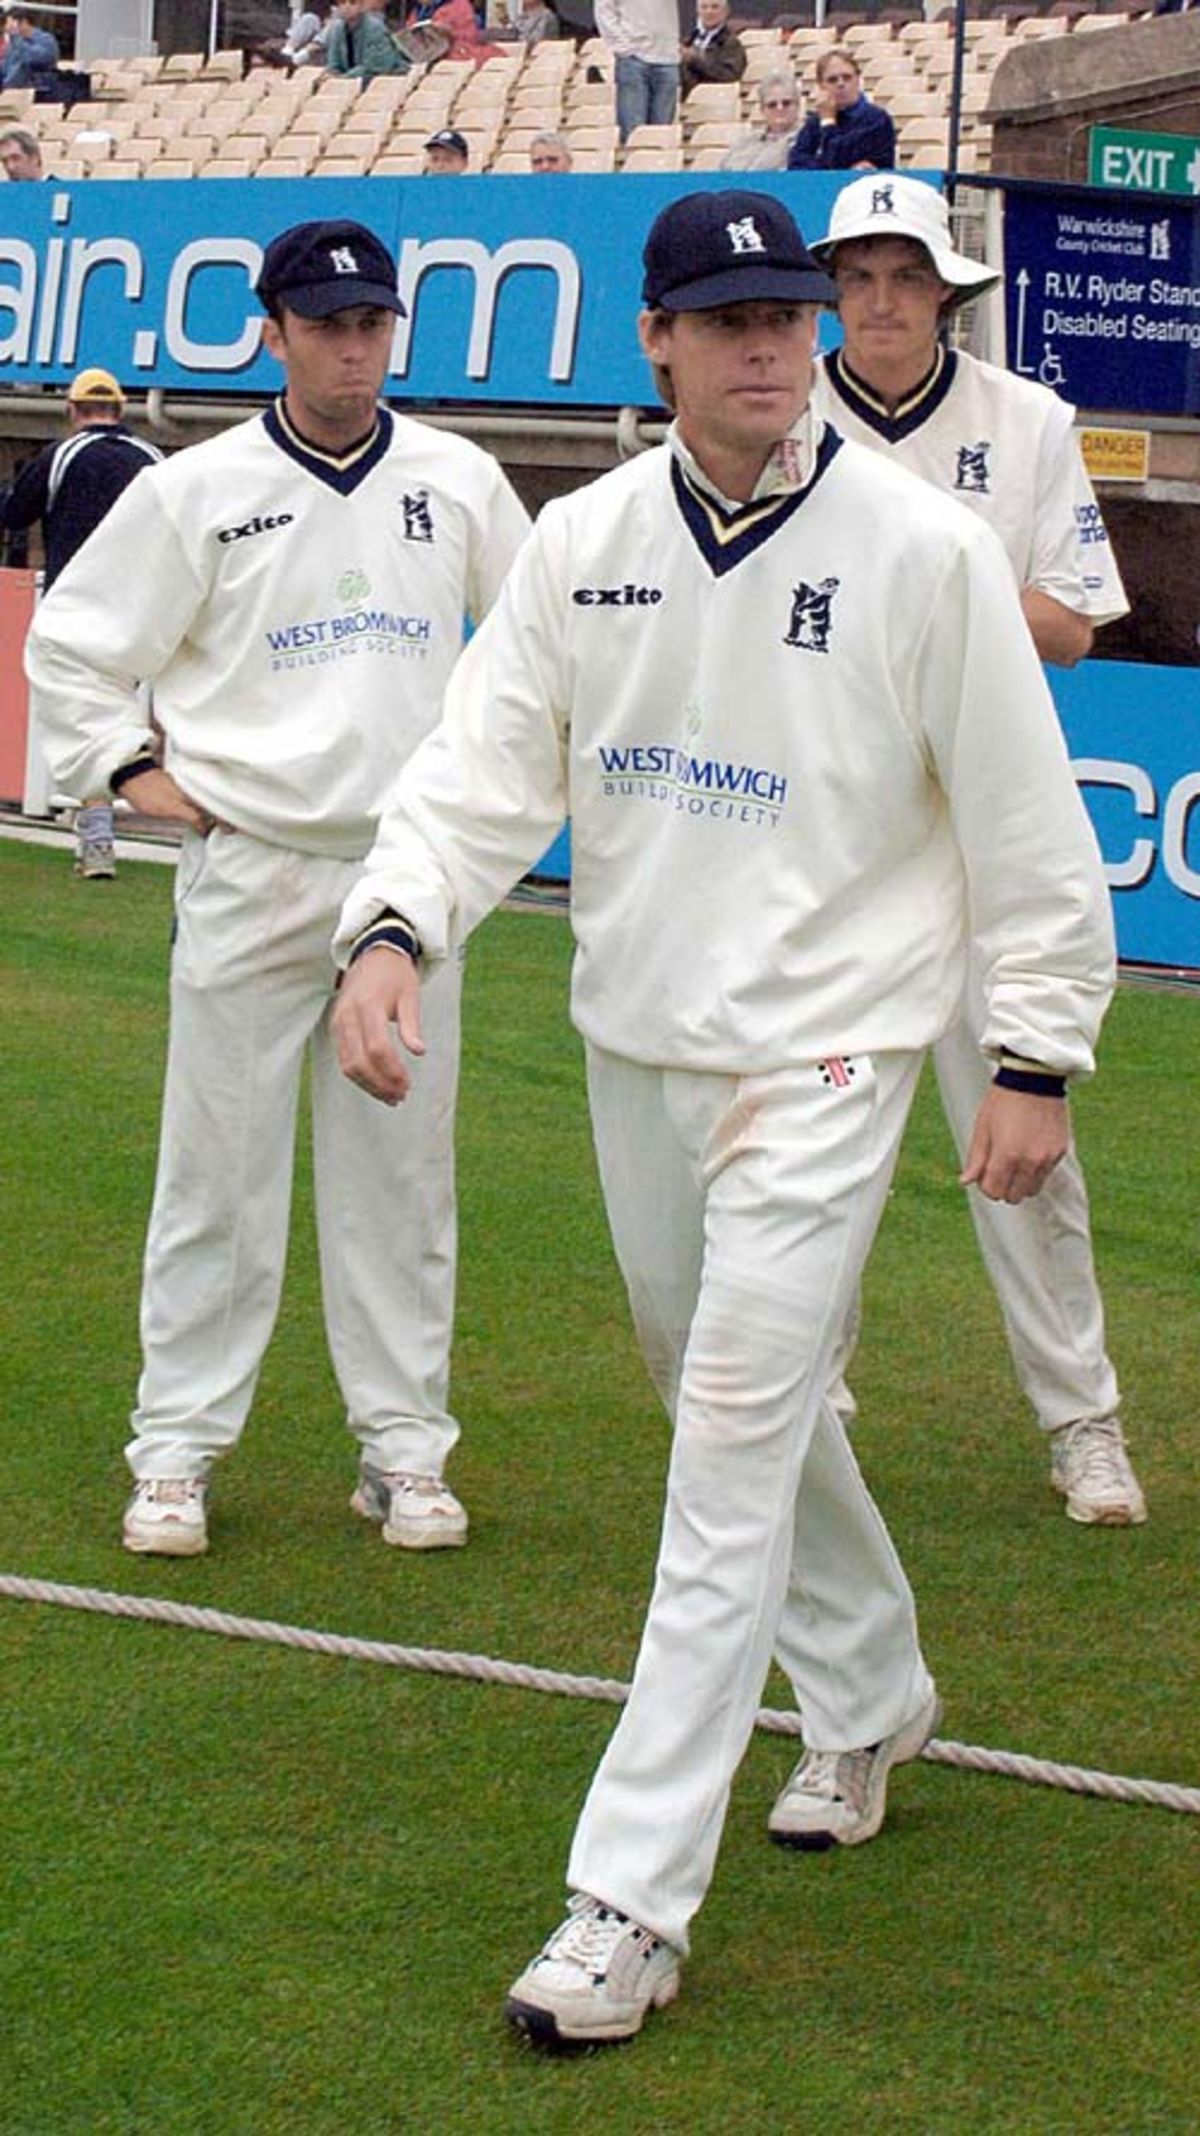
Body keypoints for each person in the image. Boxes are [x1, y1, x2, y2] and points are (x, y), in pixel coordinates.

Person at [330, 188, 1114, 2047]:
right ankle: (870, 1688)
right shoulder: (585, 538)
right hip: (643, 1044)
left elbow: (1026, 821)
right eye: (732, 316)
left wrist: (1034, 1052)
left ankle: (625, 1898)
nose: (773, 342)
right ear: (660, 343)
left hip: (832, 1055)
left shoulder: (923, 550)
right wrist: (390, 927)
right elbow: (478, 765)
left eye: (791, 311)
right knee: (717, 1400)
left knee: (736, 1434)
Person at [26, 219, 530, 1560]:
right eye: (324, 325)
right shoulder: (199, 489)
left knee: (401, 1181)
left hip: (406, 882)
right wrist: (140, 775)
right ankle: (177, 1452)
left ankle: (405, 1453)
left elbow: (539, 654)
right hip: (251, 865)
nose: (351, 348)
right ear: (275, 331)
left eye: (370, 326)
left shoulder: (461, 477)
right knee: (217, 1179)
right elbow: (74, 647)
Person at [810, 173, 1146, 1526]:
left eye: (908, 277)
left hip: (989, 839)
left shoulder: (1030, 422)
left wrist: (931, 570)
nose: (884, 302)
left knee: (1024, 1146)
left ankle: (1084, 1421)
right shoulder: (786, 405)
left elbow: (1072, 621)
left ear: (946, 289)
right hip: (829, 850)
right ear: (832, 286)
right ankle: (802, 1400)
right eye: (860, 276)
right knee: (816, 1124)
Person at [1, 367, 162, 878]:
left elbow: (14, 514)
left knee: (81, 717)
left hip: (76, 607)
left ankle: (95, 831)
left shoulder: (62, 456)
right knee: (125, 717)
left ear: (72, 410)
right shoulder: (152, 460)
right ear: (120, 410)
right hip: (143, 610)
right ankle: (104, 823)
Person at [787, 48, 894, 172]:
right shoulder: (815, 122)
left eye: (847, 77)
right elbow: (795, 164)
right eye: (832, 80)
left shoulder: (876, 119)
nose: (841, 84)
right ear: (821, 86)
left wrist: (828, 122)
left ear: (858, 80)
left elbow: (837, 160)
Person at [596, 0, 680, 143]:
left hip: (667, 57)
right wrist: (624, 48)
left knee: (663, 135)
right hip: (634, 58)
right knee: (633, 133)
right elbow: (604, 10)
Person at [718, 68, 799, 171]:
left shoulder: (805, 142)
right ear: (762, 110)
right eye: (772, 104)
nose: (779, 108)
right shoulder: (744, 143)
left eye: (786, 103)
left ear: (797, 106)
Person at [679, 0, 746, 97]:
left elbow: (730, 77)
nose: (709, 12)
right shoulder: (687, 40)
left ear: (726, 11)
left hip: (715, 99)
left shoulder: (732, 44)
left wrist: (695, 60)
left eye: (715, 7)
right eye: (704, 7)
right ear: (697, 11)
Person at [323, 0, 407, 76]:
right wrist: (333, 74)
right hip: (350, 79)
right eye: (342, 3)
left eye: (353, 3)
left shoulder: (375, 27)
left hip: (387, 76)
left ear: (362, 6)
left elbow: (372, 66)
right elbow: (333, 62)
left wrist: (344, 77)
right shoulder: (336, 28)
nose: (346, 7)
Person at [0, 8, 59, 92]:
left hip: (39, 90)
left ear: (24, 22)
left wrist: (15, 36)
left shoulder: (46, 40)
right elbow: (5, 68)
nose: (7, 29)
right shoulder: (15, 43)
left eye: (11, 24)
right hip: (12, 91)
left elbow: (32, 59)